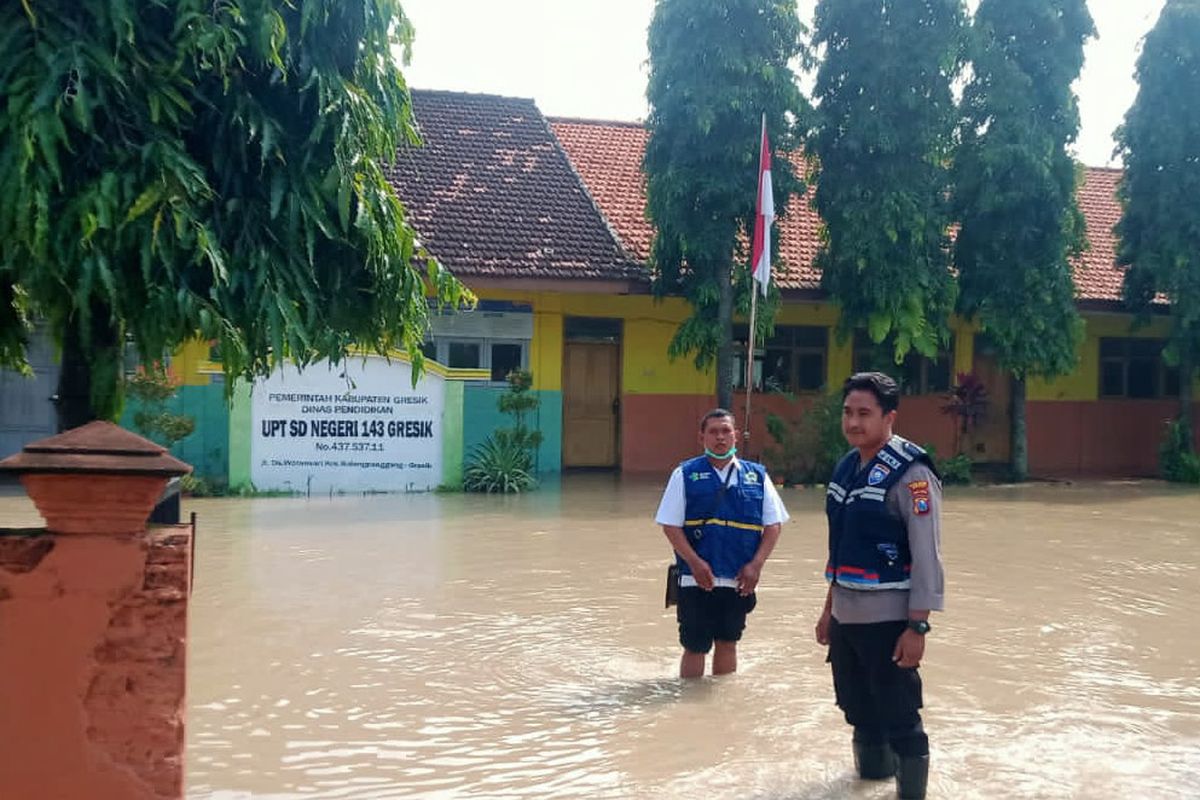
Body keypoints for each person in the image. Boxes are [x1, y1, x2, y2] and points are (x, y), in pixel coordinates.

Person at [814, 372, 944, 800]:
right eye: (848, 412)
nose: (853, 422)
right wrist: (828, 610)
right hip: (846, 617)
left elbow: (927, 556)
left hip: (889, 622)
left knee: (902, 721)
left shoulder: (913, 474)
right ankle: (868, 785)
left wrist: (917, 627)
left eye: (864, 414)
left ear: (889, 417)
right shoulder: (847, 466)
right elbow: (841, 547)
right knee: (859, 712)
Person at [655, 408, 788, 678]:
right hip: (695, 579)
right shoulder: (684, 474)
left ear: (736, 435)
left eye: (726, 431)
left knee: (728, 643)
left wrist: (756, 566)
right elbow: (670, 525)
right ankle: (690, 700)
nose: (720, 437)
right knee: (695, 646)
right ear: (701, 437)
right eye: (713, 432)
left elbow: (773, 525)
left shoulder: (757, 476)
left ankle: (723, 699)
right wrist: (695, 563)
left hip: (738, 579)